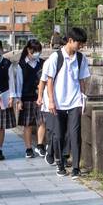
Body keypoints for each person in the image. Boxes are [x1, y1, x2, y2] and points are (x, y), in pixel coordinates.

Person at [41, 26, 91, 177]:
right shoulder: (56, 57)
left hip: (75, 100)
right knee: (58, 135)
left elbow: (82, 80)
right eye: (79, 43)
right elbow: (49, 81)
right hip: (58, 101)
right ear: (70, 40)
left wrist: (83, 98)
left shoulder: (81, 58)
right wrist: (51, 101)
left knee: (75, 134)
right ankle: (60, 164)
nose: (81, 46)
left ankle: (75, 167)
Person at [12, 39, 48, 159]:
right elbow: (18, 84)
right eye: (34, 51)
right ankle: (28, 148)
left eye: (38, 51)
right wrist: (18, 100)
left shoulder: (43, 63)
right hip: (26, 97)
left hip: (40, 97)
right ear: (28, 50)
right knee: (27, 124)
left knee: (42, 121)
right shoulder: (21, 65)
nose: (36, 53)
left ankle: (40, 145)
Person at [43, 32, 65, 166]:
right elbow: (44, 81)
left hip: (66, 100)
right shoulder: (52, 59)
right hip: (52, 100)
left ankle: (62, 154)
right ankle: (51, 151)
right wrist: (43, 98)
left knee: (64, 130)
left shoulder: (74, 59)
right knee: (53, 129)